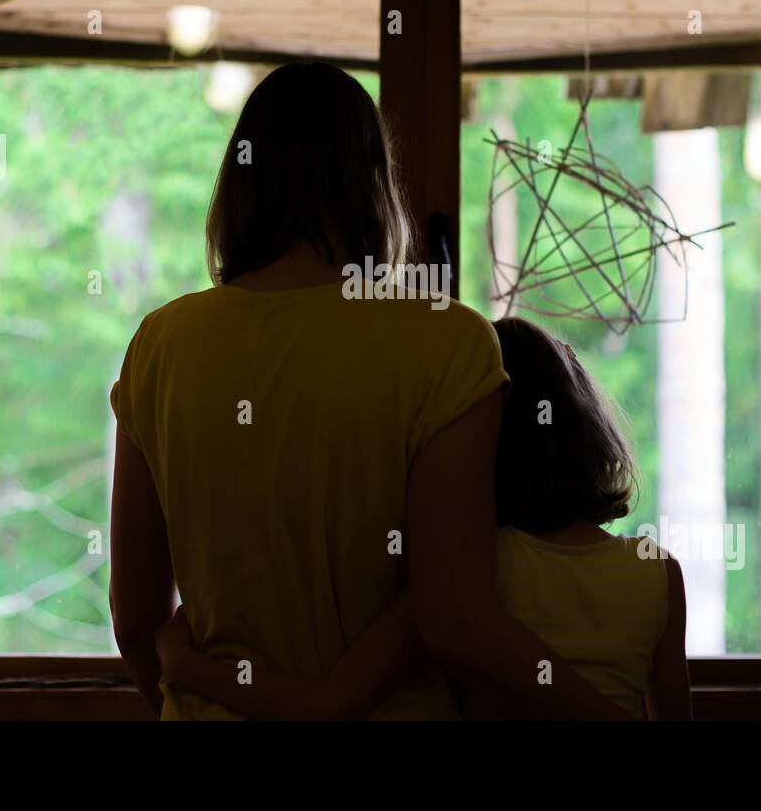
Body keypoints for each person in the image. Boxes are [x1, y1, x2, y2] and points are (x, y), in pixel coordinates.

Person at [109, 61, 623, 719]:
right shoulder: (446, 344)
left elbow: (136, 620)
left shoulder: (161, 345)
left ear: (239, 183)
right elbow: (455, 620)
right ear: (372, 181)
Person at [154, 315, 691, 720]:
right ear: (583, 429)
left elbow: (327, 703)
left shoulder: (465, 576)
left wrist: (185, 667)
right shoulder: (657, 573)